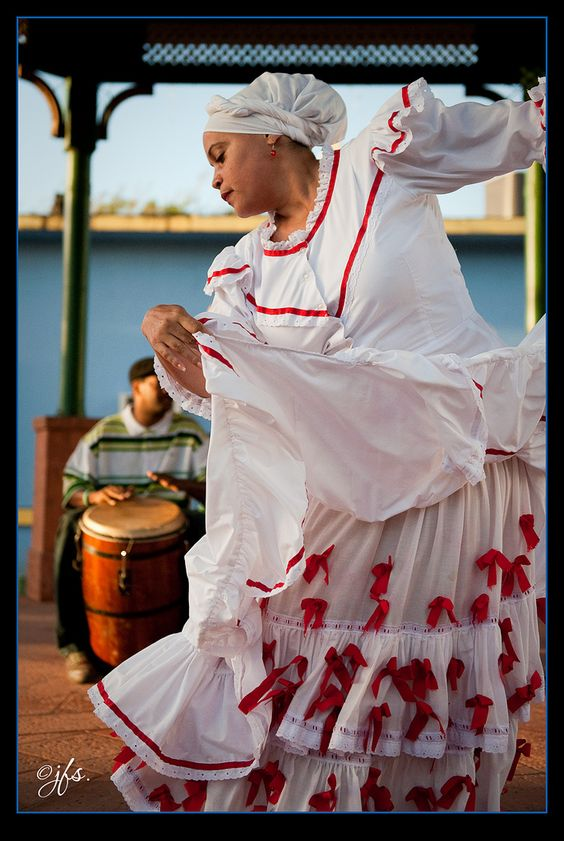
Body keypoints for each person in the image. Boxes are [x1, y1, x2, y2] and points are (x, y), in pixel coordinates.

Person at [89, 73, 546, 812]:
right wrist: (163, 326)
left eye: (220, 154)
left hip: (449, 465)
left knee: (411, 679)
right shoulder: (244, 268)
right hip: (344, 493)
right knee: (304, 676)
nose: (212, 178)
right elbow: (231, 386)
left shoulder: (381, 162)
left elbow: (523, 131)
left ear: (272, 135)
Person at [55, 357, 209, 684]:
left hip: (173, 522)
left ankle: (190, 641)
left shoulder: (190, 434)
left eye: (171, 386)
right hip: (110, 523)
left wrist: (186, 486)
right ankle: (73, 646)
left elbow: (216, 487)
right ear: (137, 387)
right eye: (160, 385)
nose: (168, 393)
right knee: (69, 526)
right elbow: (72, 487)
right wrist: (95, 497)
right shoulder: (103, 433)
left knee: (204, 529)